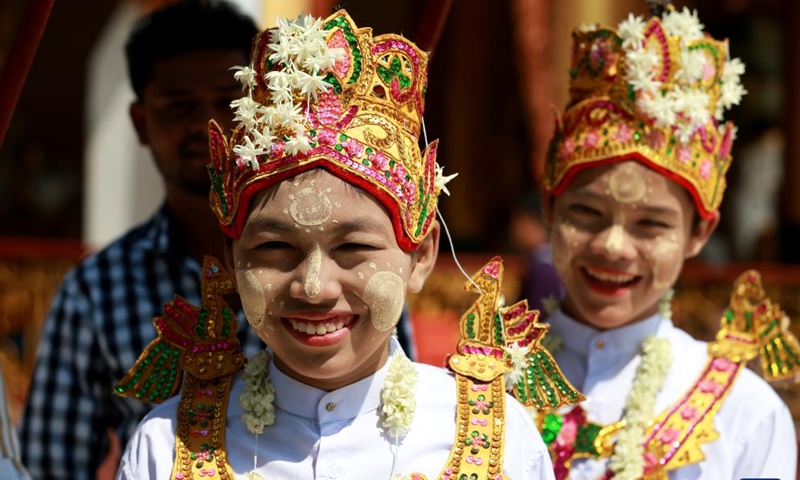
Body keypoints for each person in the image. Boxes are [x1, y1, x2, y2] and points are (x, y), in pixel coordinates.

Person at [115, 9, 557, 480]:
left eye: (352, 248)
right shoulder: (167, 445)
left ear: (422, 255)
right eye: (274, 248)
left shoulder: (500, 439)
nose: (314, 287)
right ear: (231, 258)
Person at [532, 4, 798, 479]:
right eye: (588, 214)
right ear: (551, 209)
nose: (613, 246)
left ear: (699, 233)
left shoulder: (744, 413)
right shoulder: (482, 389)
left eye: (650, 225)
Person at [19, 2, 266, 479]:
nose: (208, 126)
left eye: (229, 102)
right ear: (140, 123)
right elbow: (50, 467)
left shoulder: (337, 266)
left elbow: (394, 422)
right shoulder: (95, 290)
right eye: (179, 106)